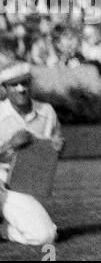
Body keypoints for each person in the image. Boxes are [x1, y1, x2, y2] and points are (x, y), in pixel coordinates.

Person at [0, 60, 63, 247]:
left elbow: (52, 148)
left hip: (22, 184)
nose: (21, 89)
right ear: (4, 88)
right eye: (14, 84)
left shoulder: (46, 112)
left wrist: (59, 148)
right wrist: (9, 145)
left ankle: (7, 229)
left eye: (25, 83)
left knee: (45, 236)